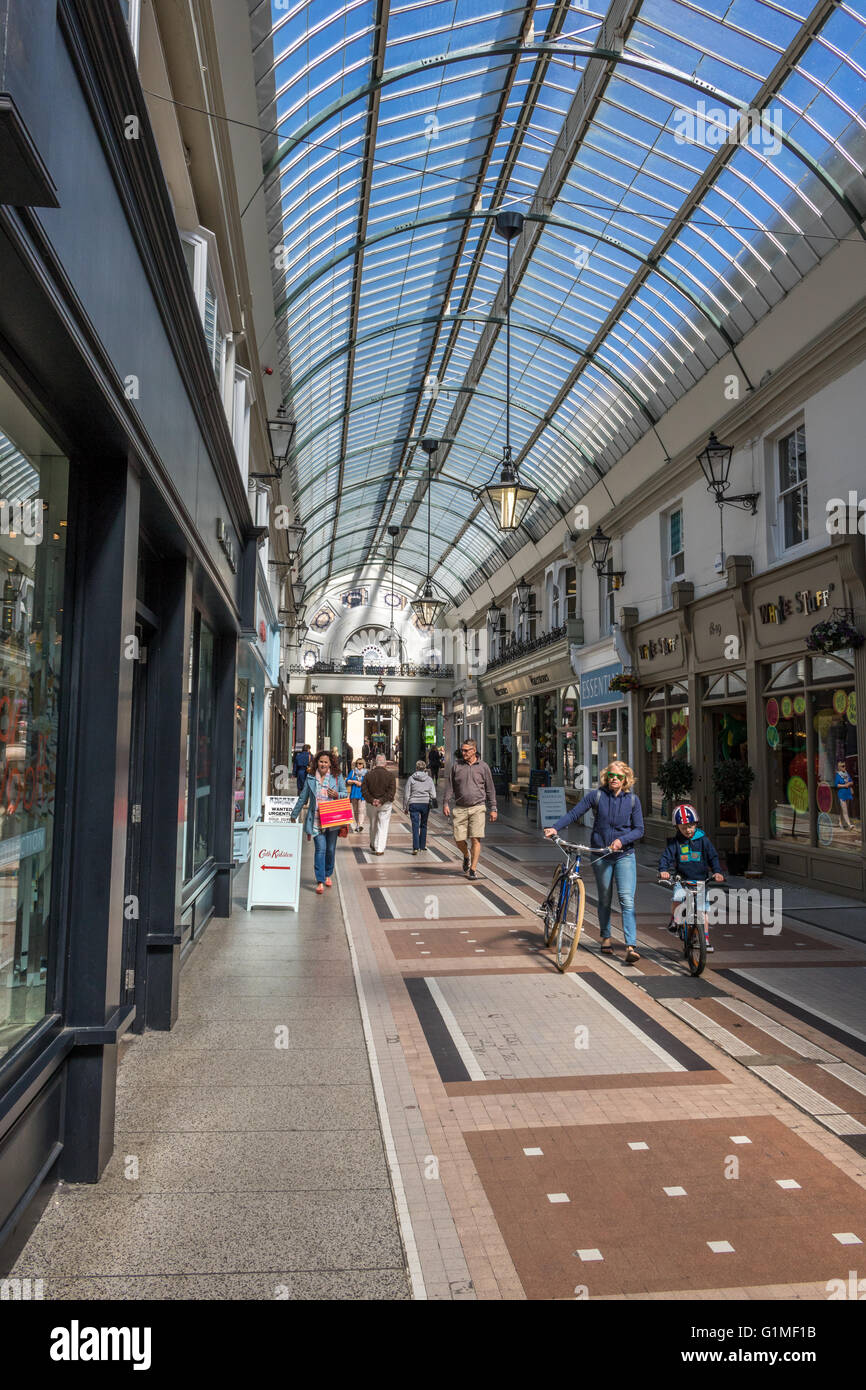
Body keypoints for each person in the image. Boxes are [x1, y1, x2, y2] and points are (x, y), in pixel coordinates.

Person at [544, 760, 644, 964]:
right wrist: (555, 827)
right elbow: (574, 813)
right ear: (607, 777)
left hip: (624, 855)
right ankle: (605, 937)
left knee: (627, 899)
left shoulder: (633, 800)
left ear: (626, 779)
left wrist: (621, 841)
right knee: (605, 898)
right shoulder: (596, 796)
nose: (614, 779)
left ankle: (630, 946)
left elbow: (639, 829)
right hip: (600, 854)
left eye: (619, 777)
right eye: (611, 776)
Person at [658, 803, 724, 953]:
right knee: (677, 898)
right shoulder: (675, 843)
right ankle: (674, 921)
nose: (688, 830)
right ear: (677, 828)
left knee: (702, 911)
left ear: (696, 824)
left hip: (700, 881)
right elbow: (666, 857)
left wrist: (717, 872)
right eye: (683, 827)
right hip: (682, 880)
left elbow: (713, 857)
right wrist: (663, 870)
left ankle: (705, 939)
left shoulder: (703, 841)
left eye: (691, 826)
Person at [291, 749, 348, 894]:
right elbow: (303, 798)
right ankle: (320, 880)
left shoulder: (337, 777)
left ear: (330, 764)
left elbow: (345, 794)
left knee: (330, 849)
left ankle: (328, 873)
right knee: (320, 850)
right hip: (316, 819)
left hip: (332, 818)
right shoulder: (310, 778)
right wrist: (294, 814)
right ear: (317, 762)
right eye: (321, 761)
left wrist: (336, 794)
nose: (323, 764)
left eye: (326, 762)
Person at [443, 738, 497, 881]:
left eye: (466, 750)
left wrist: (493, 808)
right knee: (458, 838)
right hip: (460, 808)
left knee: (475, 839)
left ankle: (473, 869)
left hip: (478, 807)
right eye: (462, 750)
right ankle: (466, 855)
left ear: (474, 751)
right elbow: (450, 786)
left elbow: (490, 789)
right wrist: (445, 803)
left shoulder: (483, 767)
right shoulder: (456, 766)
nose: (463, 752)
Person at [362, 753, 397, 855]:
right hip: (385, 804)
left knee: (373, 824)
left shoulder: (368, 775)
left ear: (375, 763)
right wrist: (381, 800)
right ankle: (379, 849)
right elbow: (391, 792)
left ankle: (373, 843)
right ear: (385, 763)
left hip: (371, 804)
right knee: (383, 825)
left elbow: (364, 791)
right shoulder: (390, 776)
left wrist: (372, 800)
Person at [404, 759, 436, 853]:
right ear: (425, 768)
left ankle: (415, 847)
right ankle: (422, 846)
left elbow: (406, 794)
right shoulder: (429, 779)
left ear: (416, 768)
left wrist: (405, 807)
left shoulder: (411, 778)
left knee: (415, 825)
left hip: (413, 804)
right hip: (425, 804)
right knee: (424, 825)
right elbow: (433, 795)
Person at [347, 757, 367, 832]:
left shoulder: (366, 773)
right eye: (357, 763)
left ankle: (360, 825)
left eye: (360, 763)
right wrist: (354, 782)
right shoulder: (352, 772)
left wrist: (362, 784)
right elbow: (347, 780)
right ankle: (357, 824)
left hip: (362, 794)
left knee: (361, 810)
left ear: (363, 765)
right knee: (355, 810)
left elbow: (368, 782)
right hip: (354, 793)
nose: (358, 765)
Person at [835, 759, 854, 829]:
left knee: (844, 810)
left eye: (845, 766)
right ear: (839, 767)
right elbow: (836, 785)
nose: (844, 767)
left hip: (848, 793)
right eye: (843, 766)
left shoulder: (846, 774)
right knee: (845, 810)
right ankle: (849, 825)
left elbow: (852, 782)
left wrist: (849, 783)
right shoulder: (838, 775)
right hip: (842, 794)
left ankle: (840, 821)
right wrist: (844, 786)